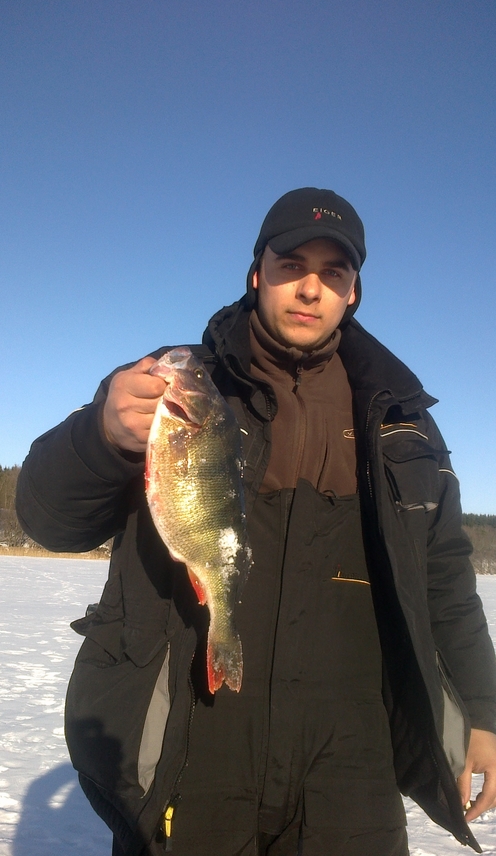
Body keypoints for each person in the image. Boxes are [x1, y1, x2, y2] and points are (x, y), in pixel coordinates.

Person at [16, 188, 496, 856]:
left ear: (353, 291)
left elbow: (445, 577)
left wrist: (483, 708)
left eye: (333, 273)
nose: (310, 287)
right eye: (291, 264)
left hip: (354, 755)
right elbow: (48, 519)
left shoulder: (401, 421)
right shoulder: (172, 387)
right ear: (256, 273)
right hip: (197, 734)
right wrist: (99, 436)